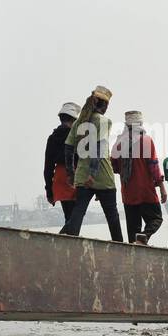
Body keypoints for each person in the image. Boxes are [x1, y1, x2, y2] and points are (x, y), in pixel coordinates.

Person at [61, 87, 122, 240]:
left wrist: (70, 172)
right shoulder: (103, 121)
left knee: (78, 213)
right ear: (105, 105)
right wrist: (93, 175)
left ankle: (69, 243)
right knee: (112, 217)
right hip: (102, 176)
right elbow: (100, 148)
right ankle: (120, 247)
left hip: (81, 175)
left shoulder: (80, 121)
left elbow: (68, 147)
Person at [111, 110, 167, 244]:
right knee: (156, 219)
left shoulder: (118, 143)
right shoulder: (146, 140)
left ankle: (134, 255)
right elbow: (154, 166)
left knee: (132, 232)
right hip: (145, 190)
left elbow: (115, 166)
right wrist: (162, 188)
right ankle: (144, 235)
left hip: (128, 192)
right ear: (140, 124)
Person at [44, 101, 81, 223]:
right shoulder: (78, 137)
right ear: (74, 120)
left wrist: (49, 191)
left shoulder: (52, 138)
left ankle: (69, 237)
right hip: (76, 177)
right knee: (75, 219)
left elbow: (48, 168)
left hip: (59, 179)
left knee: (69, 216)